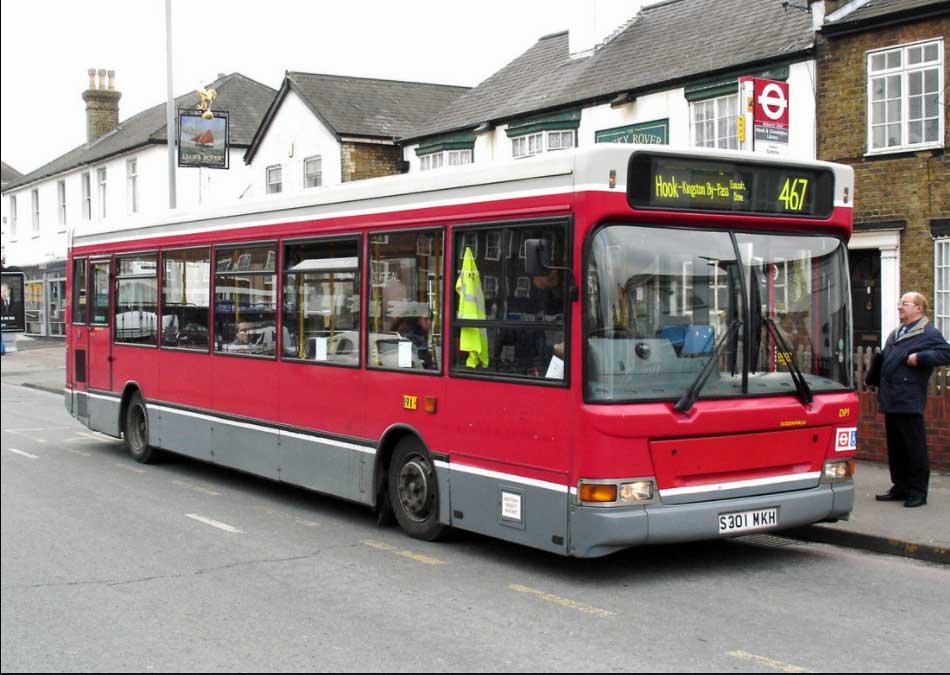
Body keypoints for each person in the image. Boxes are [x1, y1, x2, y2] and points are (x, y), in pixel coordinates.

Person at [866, 292, 950, 508]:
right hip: (891, 397)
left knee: (914, 447)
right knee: (896, 447)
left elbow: (946, 354)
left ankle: (917, 491)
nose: (900, 307)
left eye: (905, 303)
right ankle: (900, 486)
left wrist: (920, 358)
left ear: (919, 308)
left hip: (909, 397)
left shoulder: (928, 332)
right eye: (899, 303)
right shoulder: (896, 332)